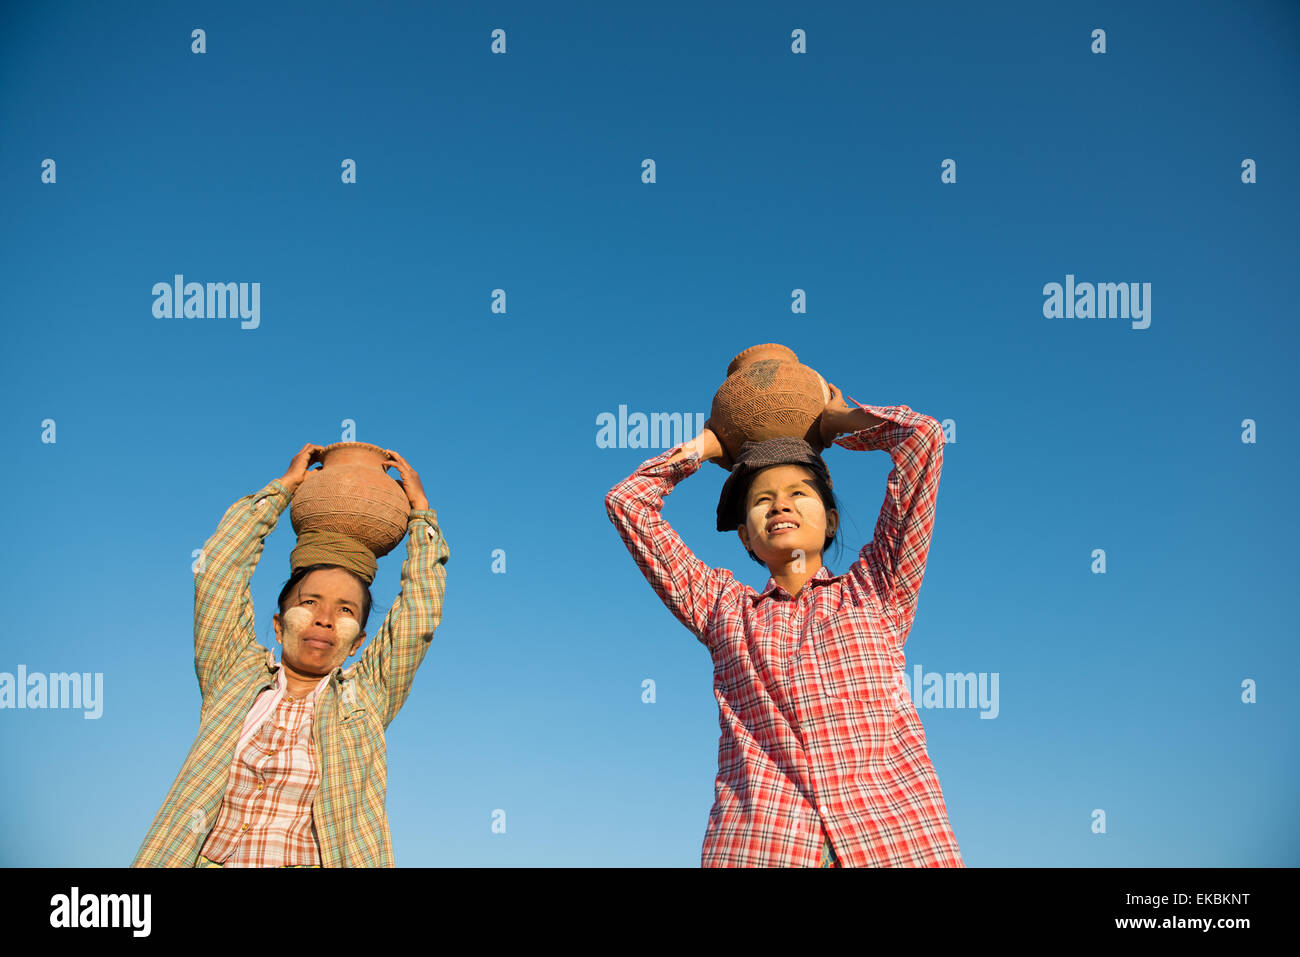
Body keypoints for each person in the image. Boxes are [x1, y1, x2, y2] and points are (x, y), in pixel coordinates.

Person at [605, 384, 963, 867]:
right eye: (761, 500)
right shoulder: (722, 609)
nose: (780, 505)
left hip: (895, 840)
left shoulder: (878, 589)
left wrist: (837, 422)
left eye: (799, 493)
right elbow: (628, 504)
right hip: (762, 846)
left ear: (831, 520)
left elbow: (922, 439)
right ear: (745, 538)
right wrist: (709, 445)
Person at [131, 444, 449, 867]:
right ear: (279, 625)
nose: (325, 619)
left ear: (358, 643)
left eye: (345, 610)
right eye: (310, 603)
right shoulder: (234, 675)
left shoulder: (366, 696)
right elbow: (217, 571)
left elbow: (419, 615)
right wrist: (283, 489)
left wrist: (421, 513)